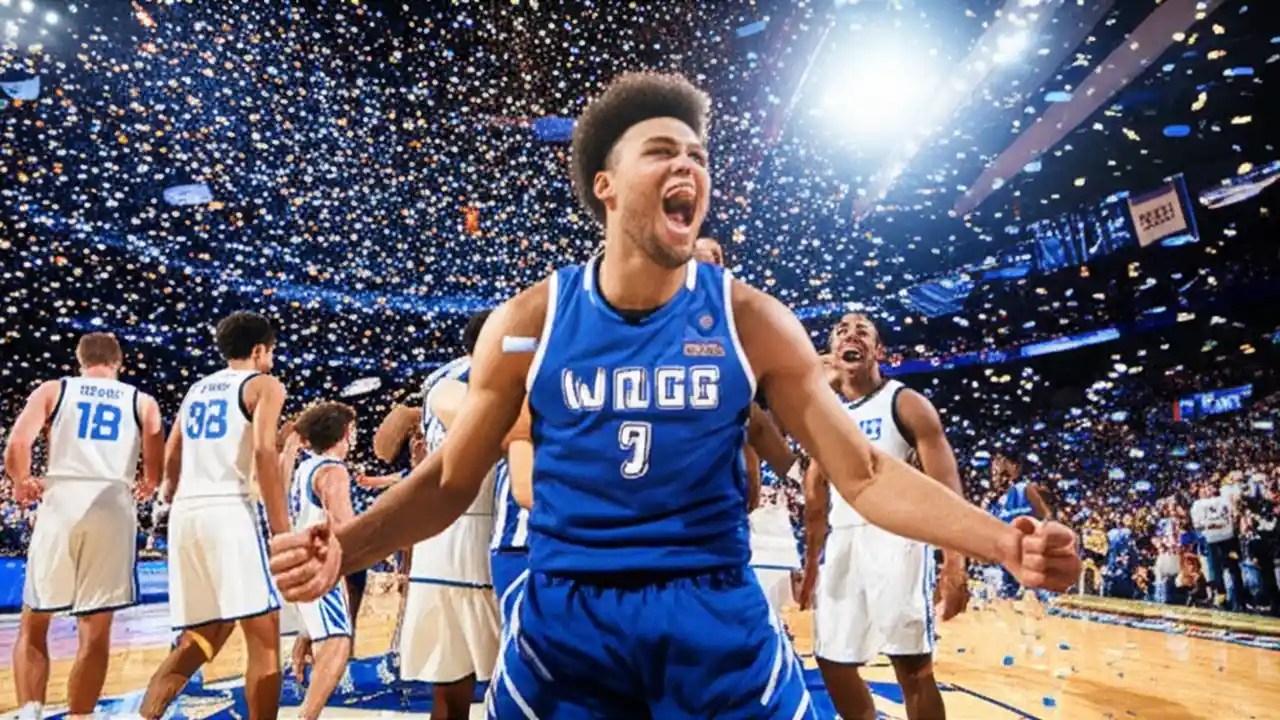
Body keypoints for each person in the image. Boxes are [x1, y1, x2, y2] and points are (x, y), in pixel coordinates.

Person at [269, 71, 1080, 718]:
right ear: (606, 185)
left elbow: (863, 471)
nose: (688, 166)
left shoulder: (753, 320)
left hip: (712, 611)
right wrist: (351, 545)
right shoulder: (529, 322)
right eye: (662, 151)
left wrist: (1004, 545)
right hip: (568, 615)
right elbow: (449, 480)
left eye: (698, 154)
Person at [796, 314, 968, 720]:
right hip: (843, 543)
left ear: (879, 351)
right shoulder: (828, 415)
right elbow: (815, 497)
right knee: (832, 662)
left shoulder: (905, 402)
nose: (850, 335)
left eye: (862, 331)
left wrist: (954, 565)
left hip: (898, 540)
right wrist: (811, 564)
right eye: (841, 331)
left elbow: (947, 489)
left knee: (912, 668)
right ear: (833, 353)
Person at [136, 311, 289, 720]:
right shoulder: (265, 385)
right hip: (230, 509)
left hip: (187, 512)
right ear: (259, 350)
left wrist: (166, 502)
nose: (272, 359)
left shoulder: (197, 389)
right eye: (271, 351)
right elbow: (263, 452)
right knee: (265, 637)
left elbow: (173, 453)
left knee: (200, 636)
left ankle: (146, 715)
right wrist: (282, 530)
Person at [4, 333, 165, 720]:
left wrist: (21, 481)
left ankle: (30, 711)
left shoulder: (53, 390)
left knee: (34, 620)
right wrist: (146, 483)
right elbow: (154, 471)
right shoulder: (141, 401)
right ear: (119, 362)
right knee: (95, 630)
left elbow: (17, 444)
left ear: (79, 360)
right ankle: (81, 716)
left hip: (63, 500)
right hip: (112, 504)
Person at [397, 310, 501, 719]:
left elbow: (388, 441)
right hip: (475, 536)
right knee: (511, 681)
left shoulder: (440, 379)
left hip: (442, 541)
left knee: (451, 689)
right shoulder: (471, 379)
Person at [694, 235, 805, 614]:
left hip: (725, 506)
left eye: (718, 259)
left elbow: (754, 424)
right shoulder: (657, 323)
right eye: (706, 259)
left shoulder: (742, 327)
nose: (715, 264)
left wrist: (792, 473)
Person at [288, 402, 360, 719]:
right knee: (337, 641)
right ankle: (307, 716)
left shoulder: (307, 465)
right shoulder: (333, 470)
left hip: (298, 561)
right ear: (345, 433)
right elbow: (345, 526)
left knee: (323, 636)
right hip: (316, 563)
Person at [986, 447, 1054, 600]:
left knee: (1038, 598)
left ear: (1015, 467)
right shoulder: (994, 501)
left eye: (1001, 464)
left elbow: (1047, 517)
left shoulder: (1025, 489)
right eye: (994, 472)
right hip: (1006, 558)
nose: (995, 469)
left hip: (1027, 555)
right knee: (1004, 597)